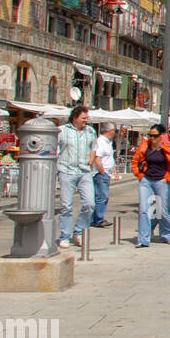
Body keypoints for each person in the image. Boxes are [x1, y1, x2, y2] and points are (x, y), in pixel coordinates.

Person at [132, 122, 170, 247]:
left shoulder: (167, 148)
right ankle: (143, 239)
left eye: (155, 136)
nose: (152, 138)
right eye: (150, 135)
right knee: (144, 209)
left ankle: (167, 234)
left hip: (161, 181)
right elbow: (135, 161)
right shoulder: (144, 146)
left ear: (161, 136)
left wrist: (167, 178)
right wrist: (140, 175)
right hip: (146, 180)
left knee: (162, 210)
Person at [56, 105, 97, 248]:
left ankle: (79, 231)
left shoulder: (91, 131)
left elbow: (93, 148)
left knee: (90, 204)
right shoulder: (62, 131)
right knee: (66, 206)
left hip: (84, 172)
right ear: (75, 118)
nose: (86, 120)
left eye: (87, 118)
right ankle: (65, 235)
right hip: (67, 171)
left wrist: (91, 160)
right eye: (83, 118)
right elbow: (56, 149)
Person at [90, 122, 116, 228]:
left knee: (99, 197)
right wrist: (102, 172)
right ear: (110, 132)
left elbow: (109, 158)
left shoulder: (108, 142)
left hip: (106, 173)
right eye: (114, 131)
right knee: (102, 197)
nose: (115, 133)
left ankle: (94, 219)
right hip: (101, 174)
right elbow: (97, 158)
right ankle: (99, 219)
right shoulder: (100, 142)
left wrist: (114, 171)